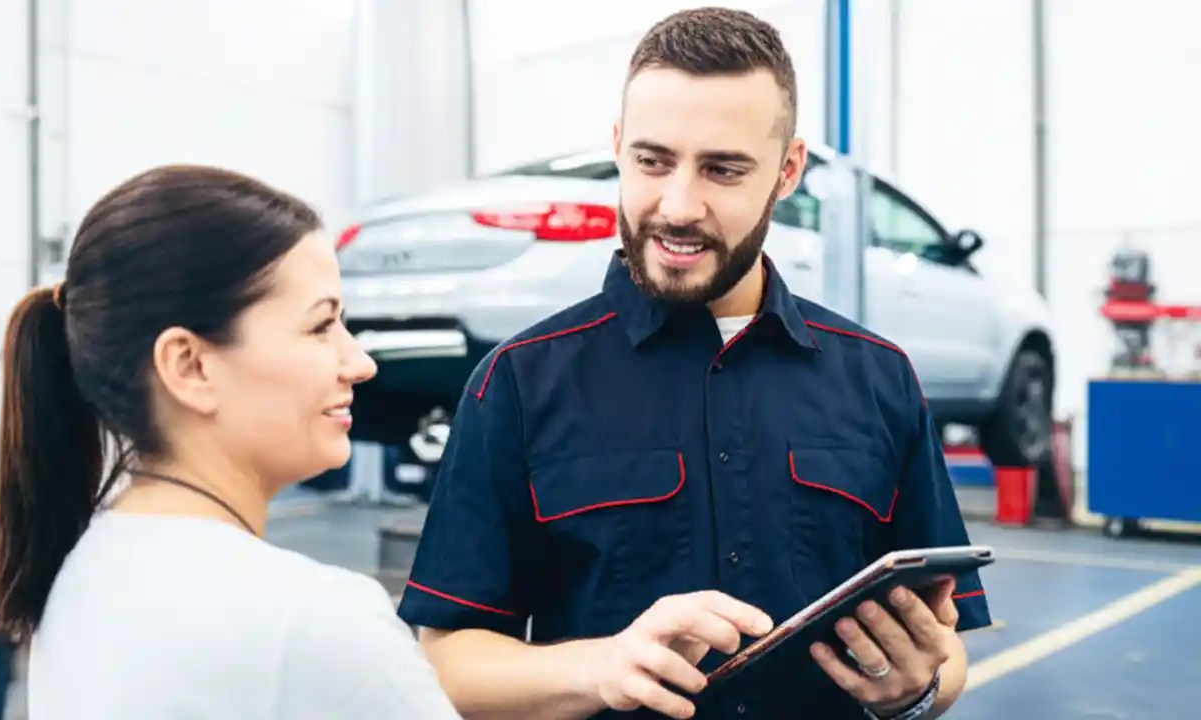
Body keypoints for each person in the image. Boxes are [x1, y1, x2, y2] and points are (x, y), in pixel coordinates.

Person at [397, 8, 990, 720]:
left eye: (723, 169)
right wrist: (598, 667)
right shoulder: (519, 383)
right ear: (618, 147)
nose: (678, 206)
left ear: (787, 171)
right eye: (652, 161)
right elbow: (448, 662)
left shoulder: (880, 379)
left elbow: (945, 645)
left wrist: (917, 691)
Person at [0, 165, 462, 719]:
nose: (358, 362)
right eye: (320, 326)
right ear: (189, 365)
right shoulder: (314, 620)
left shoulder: (79, 572)